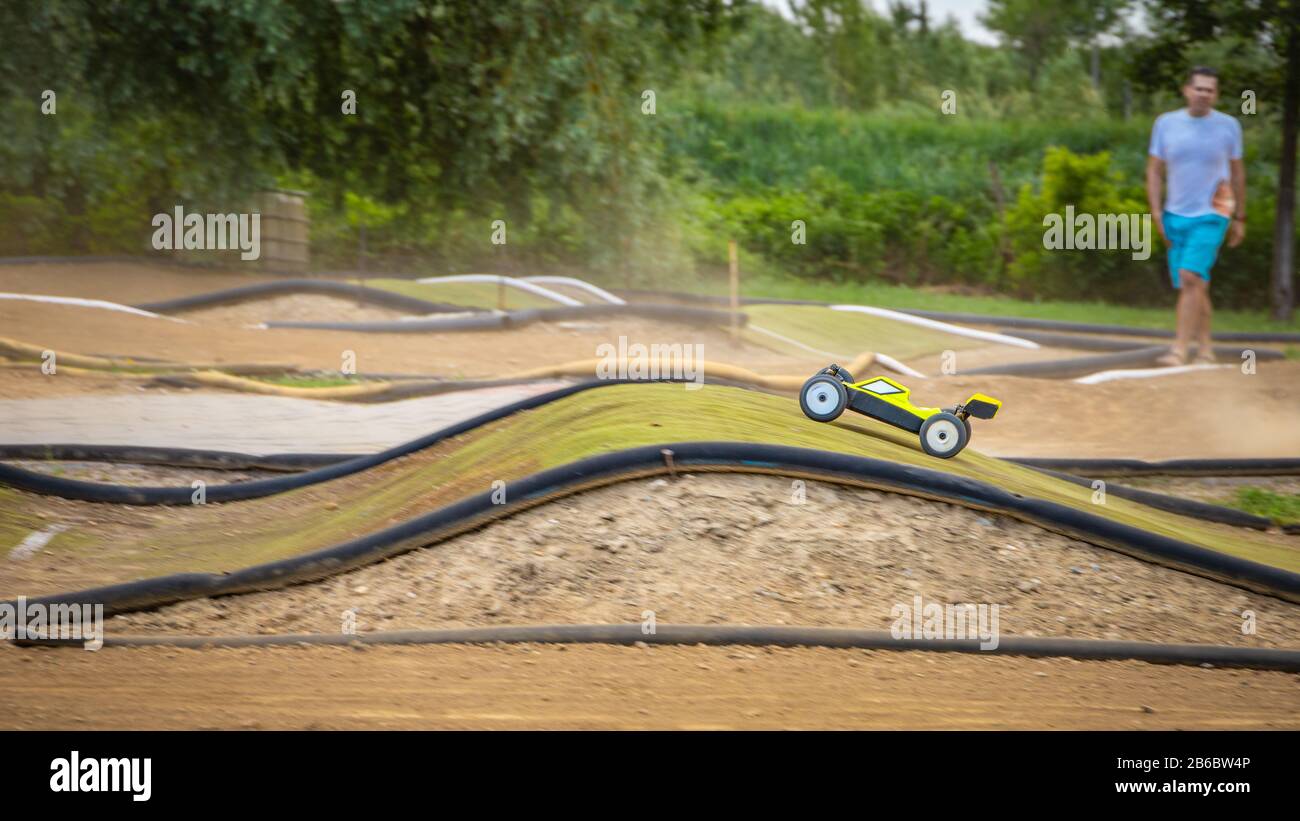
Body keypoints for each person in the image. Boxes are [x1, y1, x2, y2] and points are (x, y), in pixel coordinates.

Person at [1145, 66, 1246, 366]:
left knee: (1190, 277)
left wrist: (1240, 216)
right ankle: (1205, 348)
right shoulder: (1165, 124)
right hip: (1175, 214)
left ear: (1216, 95)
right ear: (1186, 90)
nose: (1204, 94)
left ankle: (1179, 349)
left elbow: (1238, 172)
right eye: (1199, 88)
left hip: (1214, 211)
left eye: (1210, 90)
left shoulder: (1229, 126)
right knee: (1195, 283)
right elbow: (1154, 169)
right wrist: (1155, 211)